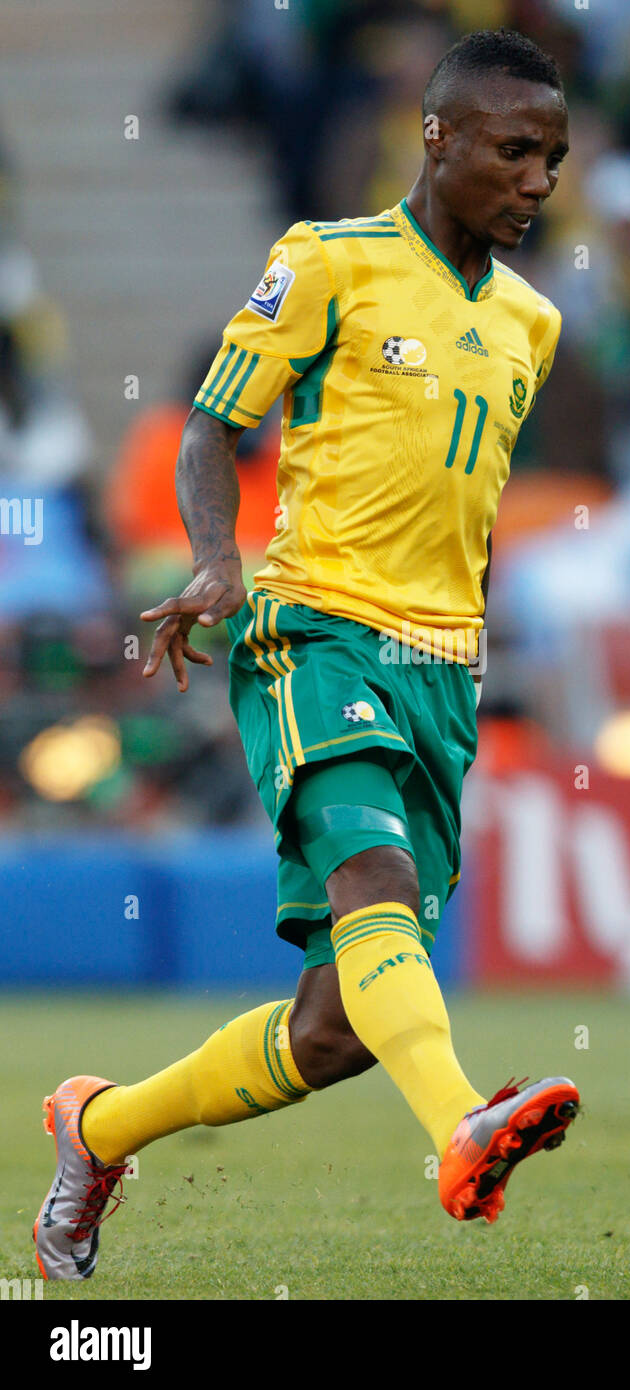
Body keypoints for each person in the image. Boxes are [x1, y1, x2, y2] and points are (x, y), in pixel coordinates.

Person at [34, 28, 579, 1281]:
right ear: (436, 138)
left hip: (441, 672)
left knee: (331, 1033)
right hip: (314, 631)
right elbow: (207, 432)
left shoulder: (534, 325)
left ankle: (94, 1127)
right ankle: (460, 1125)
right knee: (374, 877)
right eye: (513, 150)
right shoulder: (325, 262)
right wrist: (220, 562)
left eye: (551, 157)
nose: (538, 180)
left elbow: (466, 510)